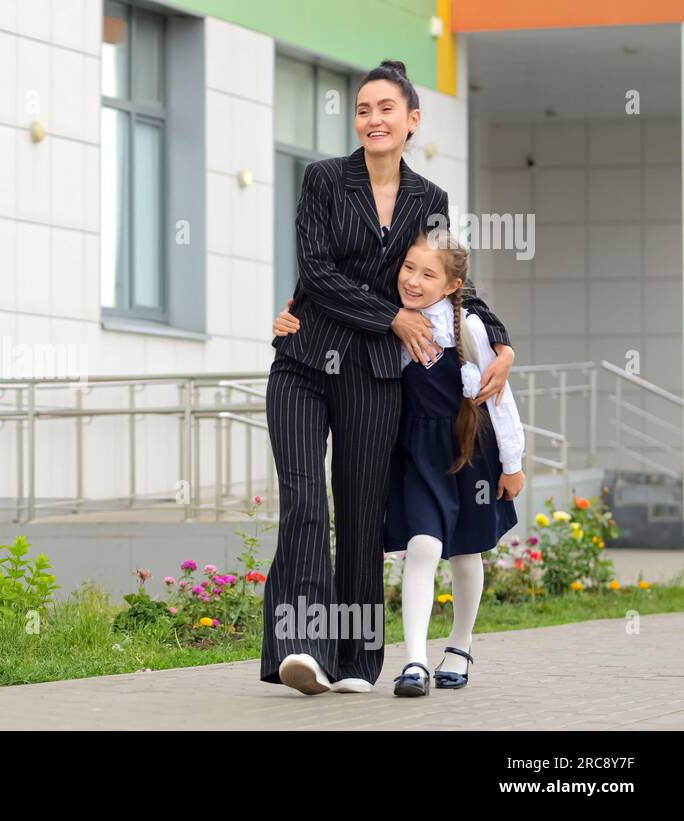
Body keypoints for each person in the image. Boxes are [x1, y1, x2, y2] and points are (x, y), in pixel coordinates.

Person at [261, 59, 516, 696]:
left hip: (373, 378)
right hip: (304, 360)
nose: (373, 119)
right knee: (301, 500)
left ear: (412, 121)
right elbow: (315, 271)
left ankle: (352, 662)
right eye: (363, 109)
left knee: (360, 514)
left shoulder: (429, 200)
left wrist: (502, 345)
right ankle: (300, 649)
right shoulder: (322, 180)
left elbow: (451, 281)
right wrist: (394, 318)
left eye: (386, 109)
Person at [275, 228, 525, 696]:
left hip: (467, 452)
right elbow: (337, 322)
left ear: (451, 285)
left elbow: (499, 400)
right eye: (408, 268)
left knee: (466, 554)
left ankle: (460, 643)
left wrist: (513, 462)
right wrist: (293, 320)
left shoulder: (467, 326)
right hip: (413, 454)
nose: (412, 279)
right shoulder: (388, 319)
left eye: (427, 274)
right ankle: (414, 661)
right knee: (424, 547)